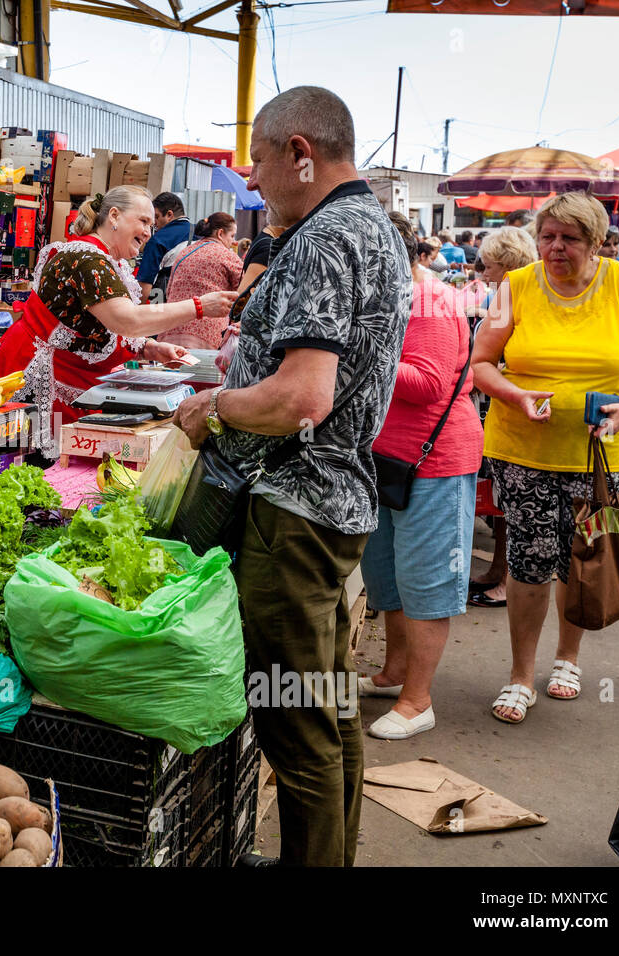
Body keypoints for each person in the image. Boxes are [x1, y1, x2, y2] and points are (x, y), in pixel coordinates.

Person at [172, 86, 411, 866]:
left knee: (295, 724)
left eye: (261, 158)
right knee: (329, 707)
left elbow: (301, 396)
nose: (252, 177)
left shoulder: (321, 239)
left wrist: (216, 406)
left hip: (293, 508)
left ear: (300, 153)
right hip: (337, 501)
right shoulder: (371, 227)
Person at [473, 193, 619, 724]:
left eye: (569, 238)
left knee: (585, 558)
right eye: (547, 235)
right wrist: (515, 396)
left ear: (597, 242)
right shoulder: (516, 286)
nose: (555, 247)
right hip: (521, 451)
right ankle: (518, 676)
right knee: (530, 563)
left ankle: (568, 660)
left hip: (602, 456)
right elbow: (481, 362)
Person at [0, 186, 234, 457]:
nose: (148, 233)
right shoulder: (86, 258)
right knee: (22, 466)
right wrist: (199, 306)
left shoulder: (107, 261)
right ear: (114, 216)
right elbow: (125, 319)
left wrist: (147, 348)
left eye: (152, 225)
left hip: (70, 380)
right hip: (37, 381)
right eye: (143, 221)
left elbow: (102, 323)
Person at [358, 213, 483, 740]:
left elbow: (428, 383)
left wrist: (355, 353)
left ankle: (418, 700)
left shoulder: (429, 302)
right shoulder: (393, 297)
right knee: (387, 574)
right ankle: (394, 674)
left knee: (426, 580)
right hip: (389, 458)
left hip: (433, 461)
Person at [464, 226, 539, 610]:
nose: (483, 272)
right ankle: (498, 570)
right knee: (501, 502)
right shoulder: (507, 294)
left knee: (513, 504)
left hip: (514, 409)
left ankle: (508, 581)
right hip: (501, 409)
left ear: (509, 264)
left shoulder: (522, 295)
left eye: (489, 265)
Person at [161, 212, 245, 349]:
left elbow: (169, 291)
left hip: (170, 332)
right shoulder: (227, 256)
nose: (234, 242)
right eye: (232, 236)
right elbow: (245, 292)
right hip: (207, 337)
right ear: (220, 233)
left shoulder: (184, 252)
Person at [136, 192, 192, 300]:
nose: (154, 223)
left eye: (156, 217)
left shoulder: (158, 240)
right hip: (194, 306)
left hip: (163, 306)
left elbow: (144, 285)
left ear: (169, 215)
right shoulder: (201, 235)